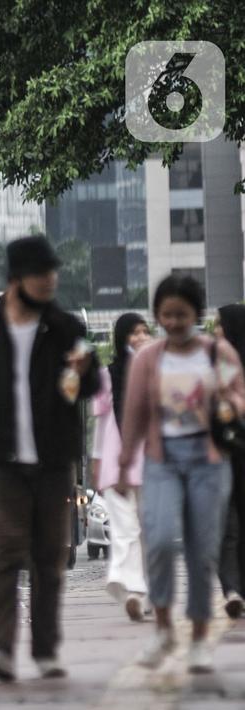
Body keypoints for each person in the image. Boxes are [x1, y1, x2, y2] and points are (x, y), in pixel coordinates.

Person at [0, 234, 100, 682]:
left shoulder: (67, 328)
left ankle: (46, 650)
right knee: (7, 551)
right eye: (39, 273)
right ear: (15, 279)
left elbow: (90, 388)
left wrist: (86, 373)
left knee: (49, 557)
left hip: (53, 463)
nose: (49, 280)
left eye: (52, 272)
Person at [119, 275, 245, 674]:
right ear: (158, 315)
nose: (173, 322)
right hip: (163, 459)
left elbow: (239, 394)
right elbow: (134, 411)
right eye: (166, 315)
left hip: (208, 460)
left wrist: (231, 406)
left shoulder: (217, 352)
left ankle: (198, 640)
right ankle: (162, 628)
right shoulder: (148, 359)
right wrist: (124, 463)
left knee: (201, 548)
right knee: (157, 540)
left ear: (197, 314)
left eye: (182, 314)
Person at [90, 313, 151, 621]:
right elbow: (100, 423)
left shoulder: (159, 370)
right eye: (133, 333)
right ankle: (133, 591)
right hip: (117, 463)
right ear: (121, 338)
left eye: (144, 331)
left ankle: (142, 591)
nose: (139, 338)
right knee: (126, 531)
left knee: (149, 532)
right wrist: (97, 460)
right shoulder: (106, 375)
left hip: (154, 462)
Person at [216, 303, 245, 619]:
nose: (216, 332)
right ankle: (232, 589)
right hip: (223, 453)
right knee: (228, 524)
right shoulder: (218, 364)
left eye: (221, 325)